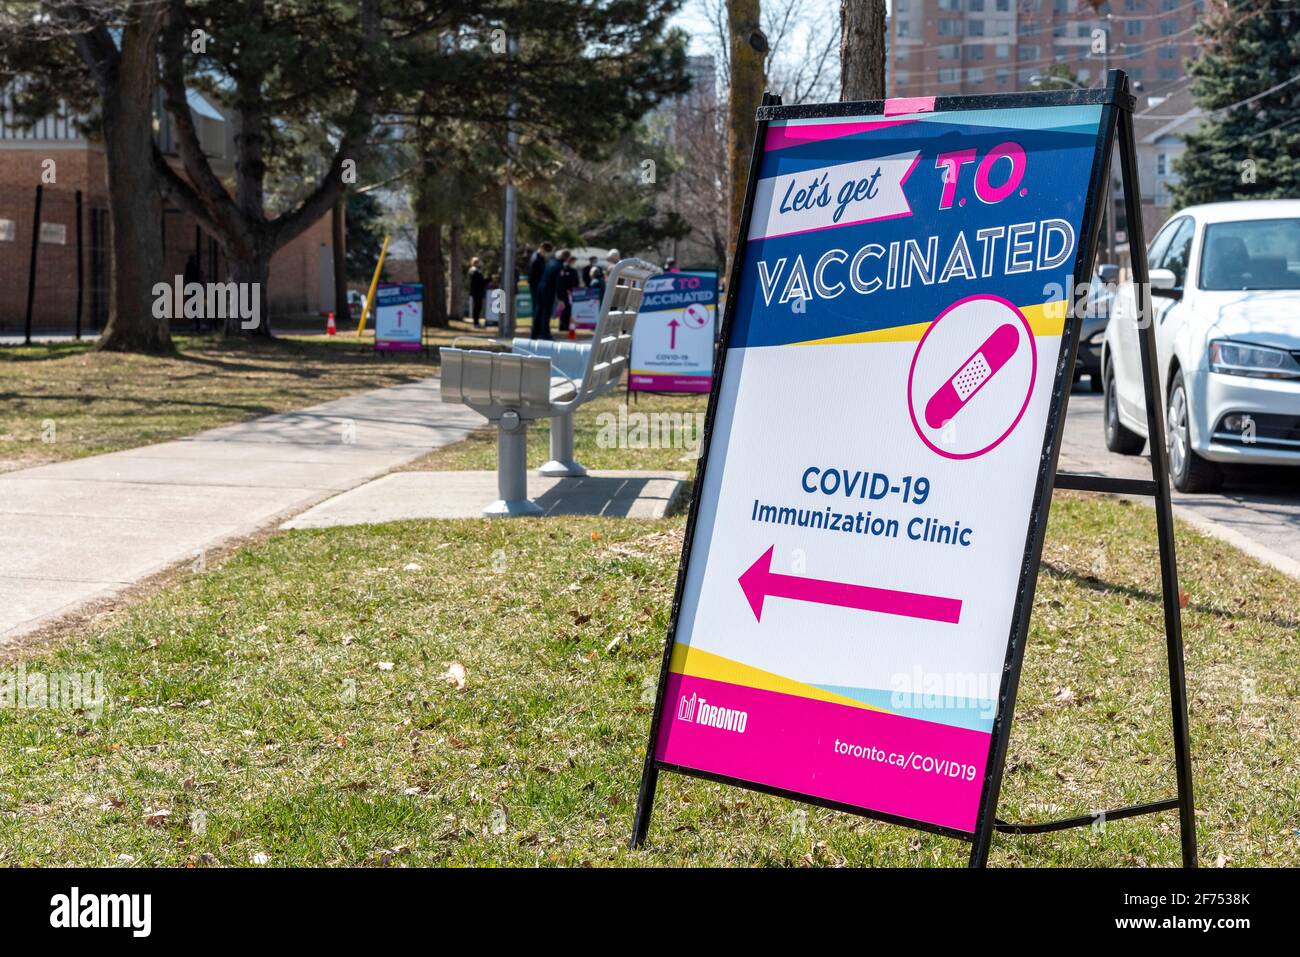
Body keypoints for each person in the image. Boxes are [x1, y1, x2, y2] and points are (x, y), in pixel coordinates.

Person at [533, 247, 566, 340]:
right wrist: (561, 298)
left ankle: (535, 333)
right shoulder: (559, 266)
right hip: (548, 290)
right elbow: (559, 283)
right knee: (546, 313)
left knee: (539, 311)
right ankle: (545, 334)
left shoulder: (551, 262)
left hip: (540, 287)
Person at [527, 241, 552, 325]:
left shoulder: (540, 258)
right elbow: (533, 275)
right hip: (536, 286)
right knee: (537, 306)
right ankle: (536, 326)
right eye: (546, 252)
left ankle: (538, 325)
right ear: (542, 249)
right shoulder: (536, 259)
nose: (546, 254)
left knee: (540, 307)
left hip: (539, 286)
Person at [557, 251, 580, 334]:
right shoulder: (563, 269)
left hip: (572, 293)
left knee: (570, 310)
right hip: (564, 293)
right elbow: (561, 282)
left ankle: (567, 325)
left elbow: (576, 282)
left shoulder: (574, 271)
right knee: (564, 309)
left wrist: (574, 290)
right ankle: (562, 326)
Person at [468, 256, 487, 327]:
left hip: (479, 292)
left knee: (479, 307)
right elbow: (479, 282)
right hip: (476, 292)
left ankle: (477, 322)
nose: (479, 264)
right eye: (478, 262)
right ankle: (475, 323)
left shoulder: (477, 271)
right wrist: (489, 280)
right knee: (477, 307)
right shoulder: (473, 271)